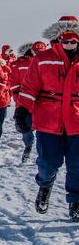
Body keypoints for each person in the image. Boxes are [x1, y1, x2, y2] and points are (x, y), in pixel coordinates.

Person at [16, 16, 79, 221]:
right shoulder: (43, 58)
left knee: (77, 164)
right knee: (48, 163)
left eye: (73, 40)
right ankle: (45, 186)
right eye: (65, 39)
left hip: (76, 120)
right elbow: (30, 87)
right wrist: (22, 110)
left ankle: (76, 201)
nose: (69, 43)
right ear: (57, 38)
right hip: (48, 120)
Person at [10, 41, 46, 162]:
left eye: (40, 52)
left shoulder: (47, 63)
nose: (37, 54)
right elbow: (14, 81)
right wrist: (18, 98)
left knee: (44, 130)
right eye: (35, 52)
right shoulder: (22, 64)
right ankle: (28, 146)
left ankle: (43, 154)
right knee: (26, 127)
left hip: (43, 104)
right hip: (25, 102)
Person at [0, 50, 13, 145]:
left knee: (0, 121)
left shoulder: (7, 69)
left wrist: (10, 95)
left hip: (4, 100)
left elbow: (10, 83)